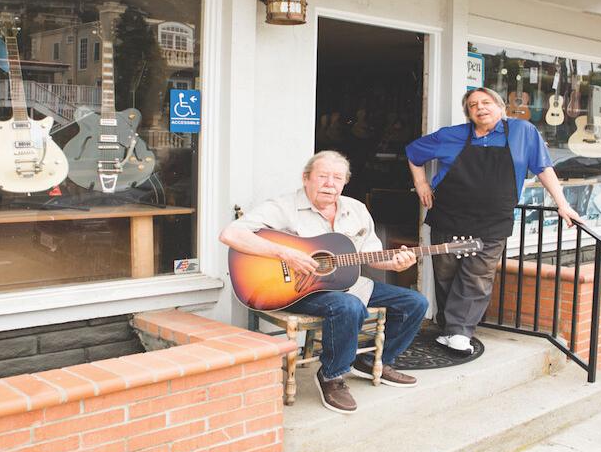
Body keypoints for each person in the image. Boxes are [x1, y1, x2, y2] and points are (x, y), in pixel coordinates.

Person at [220, 151, 429, 415]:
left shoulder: (357, 210)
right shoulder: (283, 206)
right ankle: (332, 376)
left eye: (337, 178)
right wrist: (286, 253)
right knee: (348, 306)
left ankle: (372, 361)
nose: (330, 183)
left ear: (345, 182)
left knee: (415, 302)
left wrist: (397, 263)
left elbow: (374, 256)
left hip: (347, 284)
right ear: (306, 178)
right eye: (323, 176)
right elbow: (230, 234)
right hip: (298, 290)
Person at [406, 87, 581, 355]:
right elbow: (414, 152)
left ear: (501, 107)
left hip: (492, 221)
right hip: (448, 216)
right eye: (473, 105)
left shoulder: (523, 132)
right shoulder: (452, 135)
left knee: (477, 276)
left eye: (486, 102)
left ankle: (460, 332)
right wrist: (421, 184)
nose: (480, 108)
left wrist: (563, 204)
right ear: (468, 112)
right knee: (445, 274)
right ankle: (449, 327)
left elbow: (544, 169)